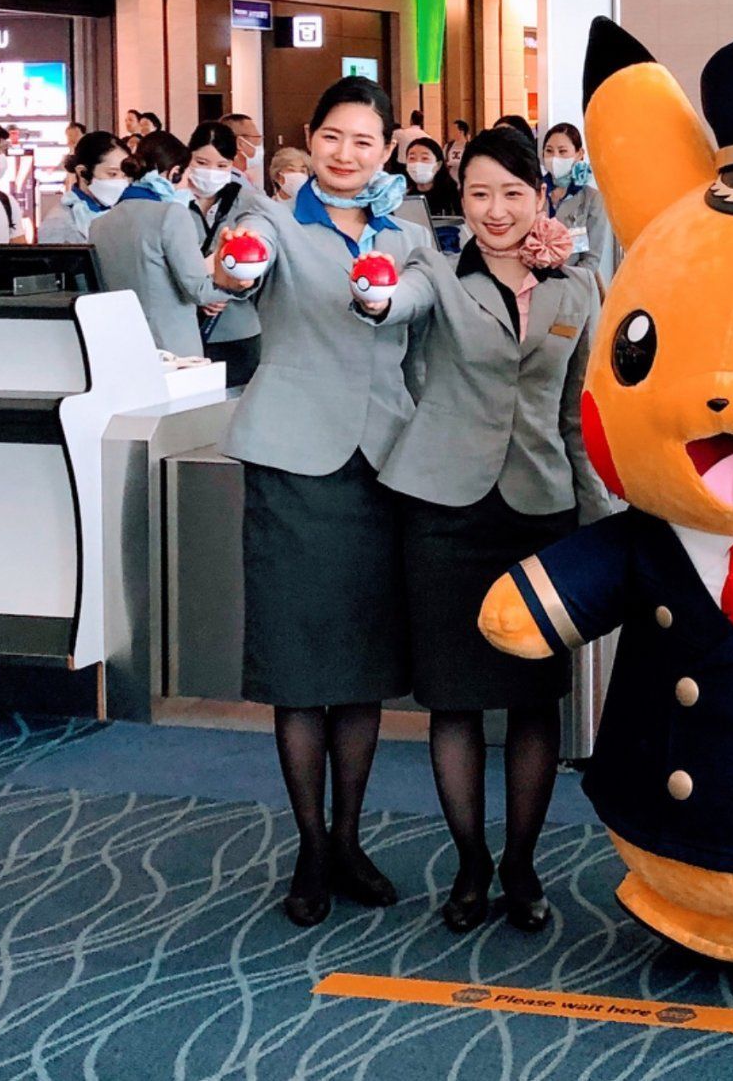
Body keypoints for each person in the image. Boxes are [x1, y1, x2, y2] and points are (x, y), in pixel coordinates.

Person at [210, 75, 436, 928]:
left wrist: (386, 296)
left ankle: (349, 836)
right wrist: (234, 269)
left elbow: (415, 298)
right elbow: (238, 268)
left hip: (382, 465)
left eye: (365, 142)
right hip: (294, 466)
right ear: (311, 139)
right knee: (301, 669)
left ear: (387, 150)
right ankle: (309, 845)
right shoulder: (275, 219)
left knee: (363, 668)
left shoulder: (403, 229)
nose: (347, 155)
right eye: (334, 138)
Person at [375, 126, 614, 932]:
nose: (497, 209)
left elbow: (578, 414)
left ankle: (522, 860)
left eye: (514, 192)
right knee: (455, 699)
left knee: (534, 700)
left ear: (542, 196)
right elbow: (403, 348)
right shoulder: (436, 278)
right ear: (460, 199)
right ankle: (471, 862)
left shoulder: (578, 289)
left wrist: (597, 519)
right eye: (479, 193)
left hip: (539, 511)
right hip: (443, 510)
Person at [87, 131, 218, 358]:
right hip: (173, 349)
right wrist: (231, 276)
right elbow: (199, 291)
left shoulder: (99, 224)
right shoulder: (172, 215)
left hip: (123, 346)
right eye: (187, 177)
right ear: (174, 173)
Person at [184, 121, 263, 386]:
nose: (211, 173)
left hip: (238, 329)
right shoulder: (172, 202)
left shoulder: (248, 202)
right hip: (185, 331)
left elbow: (265, 259)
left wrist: (231, 289)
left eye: (221, 166)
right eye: (202, 162)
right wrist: (199, 293)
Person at [539, 122, 616, 285]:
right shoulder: (535, 193)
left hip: (574, 286)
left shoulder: (592, 199)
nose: (555, 158)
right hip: (534, 284)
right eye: (549, 151)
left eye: (562, 151)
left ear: (579, 154)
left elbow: (591, 259)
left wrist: (565, 283)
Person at [41, 131, 129, 245]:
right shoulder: (60, 221)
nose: (120, 182)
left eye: (125, 175)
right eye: (112, 174)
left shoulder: (122, 211)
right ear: (82, 172)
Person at [402, 135, 461, 218]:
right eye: (412, 158)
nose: (417, 163)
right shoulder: (403, 196)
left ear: (438, 165)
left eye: (425, 158)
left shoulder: (453, 195)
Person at [220, 112, 264, 191]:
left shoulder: (242, 177)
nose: (260, 143)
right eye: (257, 137)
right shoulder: (231, 184)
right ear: (240, 143)